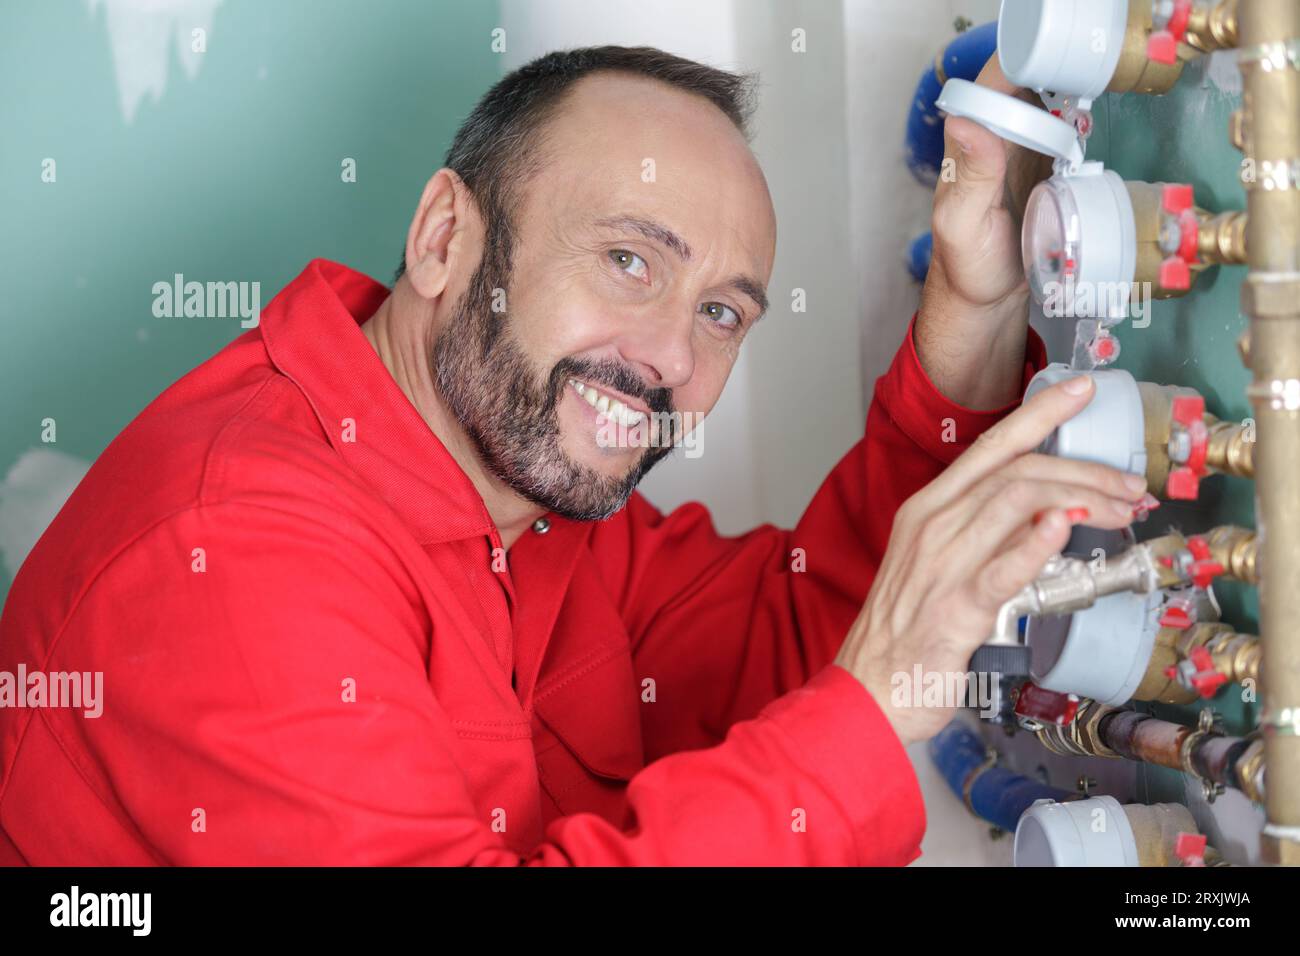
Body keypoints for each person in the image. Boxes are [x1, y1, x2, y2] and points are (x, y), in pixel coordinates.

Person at [0, 46, 1145, 865]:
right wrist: (875, 696)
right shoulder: (237, 550)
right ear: (446, 236)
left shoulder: (512, 487)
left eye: (721, 314)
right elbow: (862, 675)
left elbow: (813, 631)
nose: (664, 360)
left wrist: (972, 297)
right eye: (630, 262)